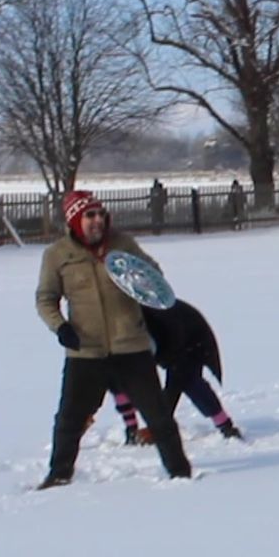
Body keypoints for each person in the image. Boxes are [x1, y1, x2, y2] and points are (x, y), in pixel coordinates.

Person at [34, 191, 192, 489]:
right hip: (85, 351)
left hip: (130, 346)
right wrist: (60, 327)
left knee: (158, 416)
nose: (97, 221)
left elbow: (154, 277)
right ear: (74, 221)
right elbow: (45, 299)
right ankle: (59, 475)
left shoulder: (123, 244)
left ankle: (180, 471)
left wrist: (133, 272)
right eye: (89, 216)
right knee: (69, 419)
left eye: (100, 215)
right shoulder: (57, 255)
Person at [113, 300, 243, 442]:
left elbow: (173, 388)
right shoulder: (121, 333)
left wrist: (158, 426)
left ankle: (226, 427)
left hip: (192, 339)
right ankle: (131, 431)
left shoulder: (169, 335)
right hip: (159, 338)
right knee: (120, 379)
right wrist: (132, 429)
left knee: (190, 382)